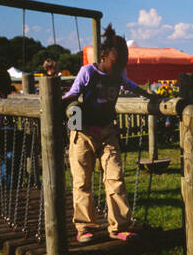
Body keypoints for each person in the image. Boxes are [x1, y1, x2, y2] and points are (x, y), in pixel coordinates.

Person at [61, 24, 161, 243]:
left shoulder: (119, 73)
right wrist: (60, 109)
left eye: (123, 64)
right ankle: (85, 226)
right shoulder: (87, 72)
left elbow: (132, 85)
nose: (119, 69)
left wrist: (148, 96)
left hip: (107, 131)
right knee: (81, 181)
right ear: (104, 56)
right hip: (83, 131)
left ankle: (119, 226)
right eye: (116, 62)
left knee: (115, 178)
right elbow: (73, 94)